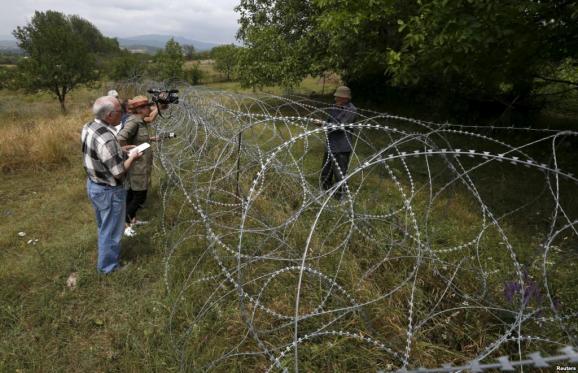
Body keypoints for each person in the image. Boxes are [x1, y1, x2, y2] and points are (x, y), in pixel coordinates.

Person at [81, 96, 142, 273]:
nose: (122, 114)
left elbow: (97, 151)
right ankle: (108, 267)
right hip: (109, 191)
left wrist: (119, 150)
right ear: (109, 115)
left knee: (104, 226)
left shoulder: (90, 127)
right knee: (112, 230)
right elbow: (119, 171)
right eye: (119, 111)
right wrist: (132, 157)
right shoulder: (107, 138)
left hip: (94, 185)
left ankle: (106, 258)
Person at [116, 95, 160, 236]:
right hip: (137, 166)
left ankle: (130, 220)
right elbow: (121, 138)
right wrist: (127, 151)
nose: (150, 108)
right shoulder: (134, 122)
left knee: (131, 194)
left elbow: (136, 138)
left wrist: (149, 139)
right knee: (140, 196)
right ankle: (125, 225)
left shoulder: (140, 121)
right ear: (140, 109)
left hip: (142, 165)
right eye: (147, 106)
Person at [320, 86, 357, 200]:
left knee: (339, 172)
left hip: (342, 146)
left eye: (338, 97)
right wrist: (324, 123)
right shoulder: (335, 107)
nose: (336, 99)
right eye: (336, 97)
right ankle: (325, 190)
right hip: (331, 143)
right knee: (326, 170)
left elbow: (339, 126)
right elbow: (329, 121)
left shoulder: (351, 110)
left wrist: (323, 124)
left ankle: (341, 195)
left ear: (345, 98)